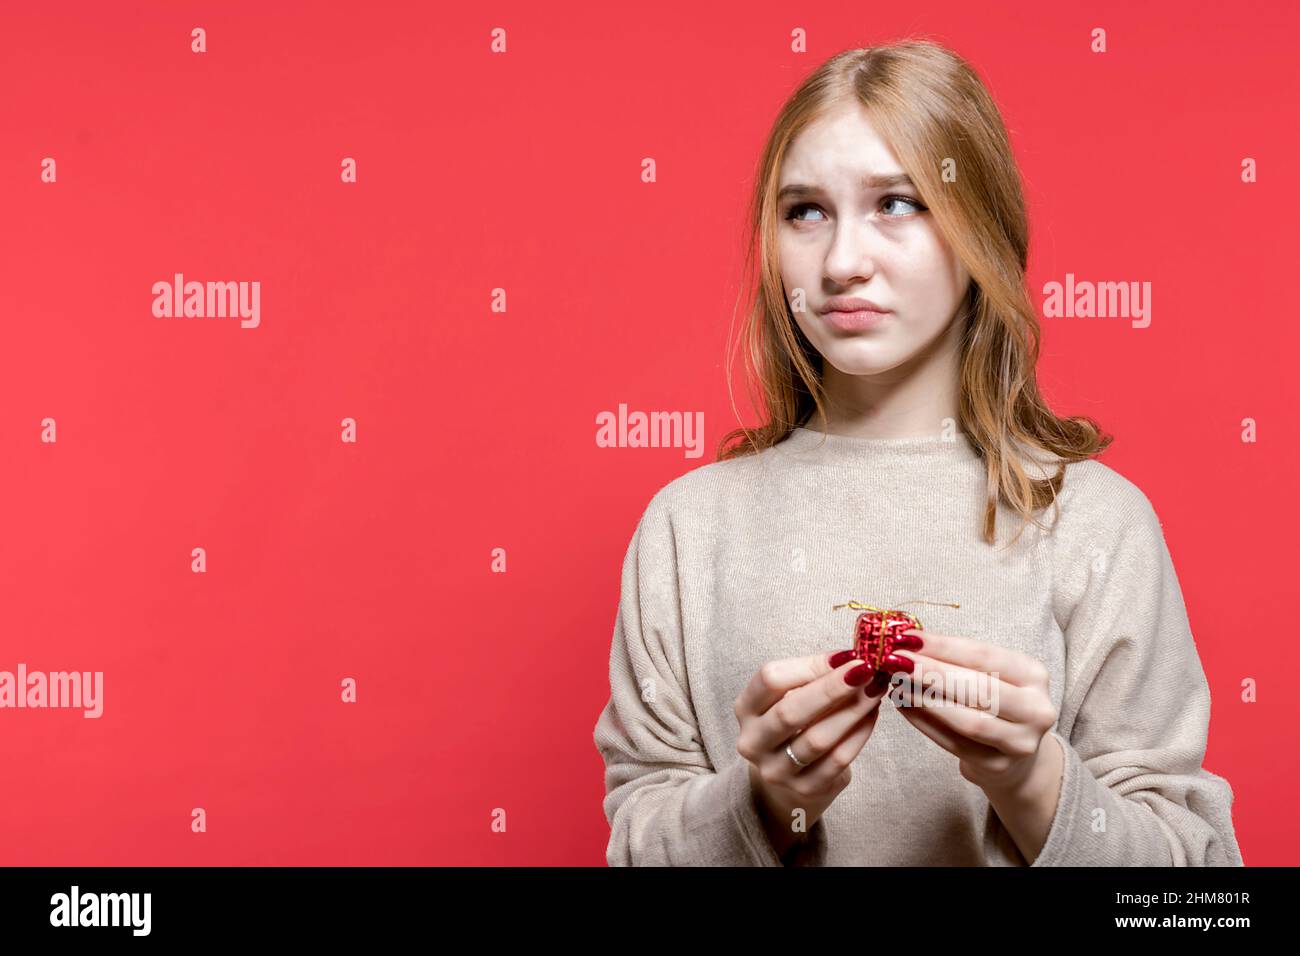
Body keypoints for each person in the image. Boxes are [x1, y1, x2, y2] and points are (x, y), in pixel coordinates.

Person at [592, 40, 1242, 866]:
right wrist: (764, 803)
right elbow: (636, 850)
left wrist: (1036, 785)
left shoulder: (1096, 525)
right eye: (805, 211)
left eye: (896, 203)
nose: (842, 263)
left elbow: (1197, 895)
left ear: (979, 228)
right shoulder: (687, 529)